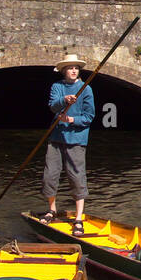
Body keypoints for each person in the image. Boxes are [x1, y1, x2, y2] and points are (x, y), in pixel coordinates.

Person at [40, 54, 95, 236]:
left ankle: (79, 218)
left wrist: (72, 119)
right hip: (56, 138)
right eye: (70, 68)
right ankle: (51, 210)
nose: (73, 70)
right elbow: (52, 106)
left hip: (76, 140)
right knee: (50, 175)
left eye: (76, 68)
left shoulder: (86, 89)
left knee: (76, 177)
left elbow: (89, 116)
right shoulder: (57, 87)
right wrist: (64, 101)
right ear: (64, 70)